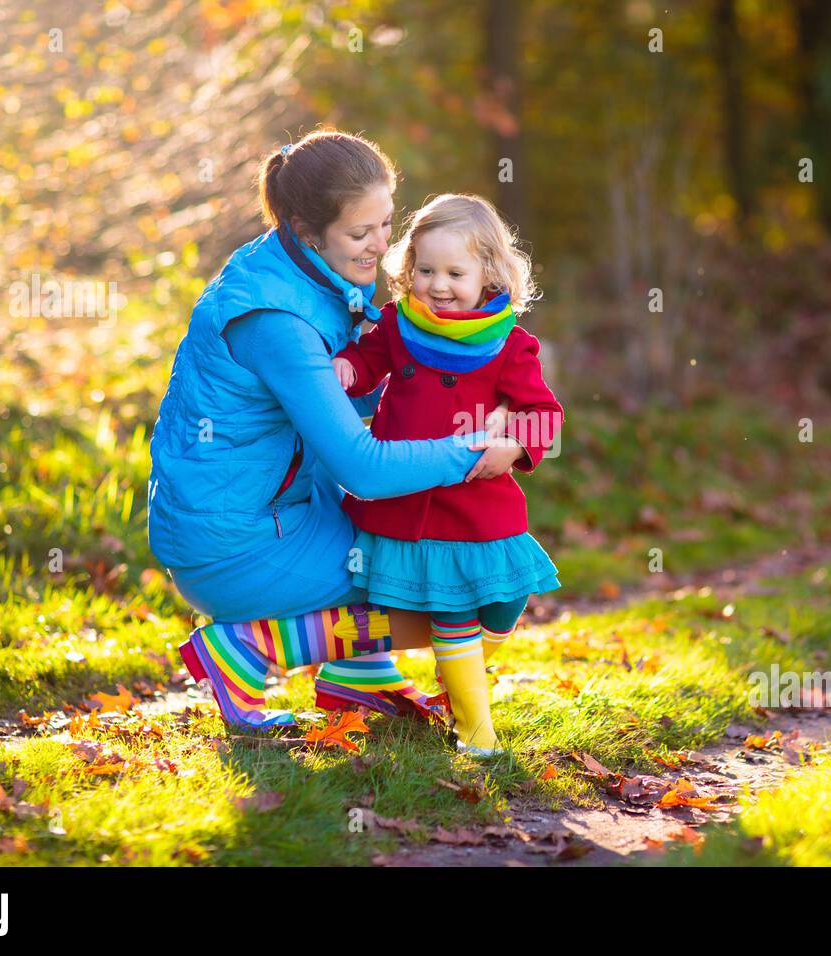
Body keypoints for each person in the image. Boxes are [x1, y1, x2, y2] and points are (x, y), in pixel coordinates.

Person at [146, 131, 505, 731]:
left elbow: (350, 393)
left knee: (410, 541)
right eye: (360, 234)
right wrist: (468, 452)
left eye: (387, 225)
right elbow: (359, 464)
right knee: (448, 584)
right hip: (235, 541)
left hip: (284, 508)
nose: (381, 248)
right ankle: (244, 650)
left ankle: (360, 673)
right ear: (307, 228)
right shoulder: (274, 318)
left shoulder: (305, 270)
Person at [331, 194, 564, 755]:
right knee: (449, 612)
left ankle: (452, 674)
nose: (438, 285)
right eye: (425, 271)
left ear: (489, 274)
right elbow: (369, 363)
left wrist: (514, 445)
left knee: (505, 605)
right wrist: (347, 367)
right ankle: (475, 735)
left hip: (477, 505)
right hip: (408, 503)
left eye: (455, 273)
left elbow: (544, 413)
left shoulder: (509, 344)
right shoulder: (398, 325)